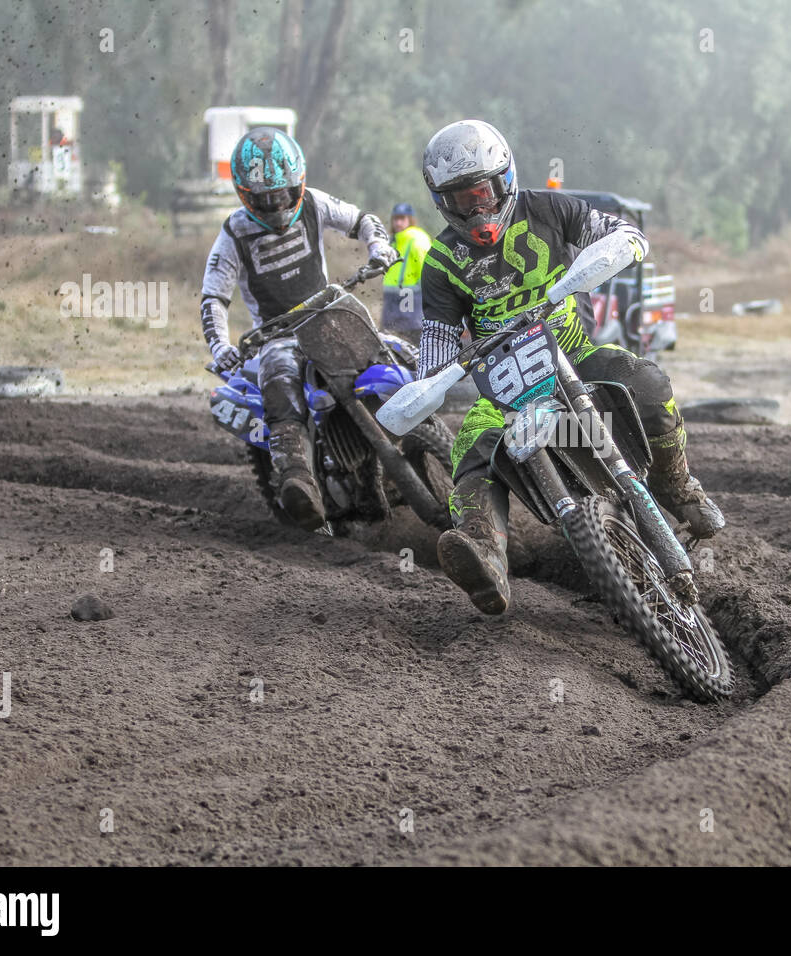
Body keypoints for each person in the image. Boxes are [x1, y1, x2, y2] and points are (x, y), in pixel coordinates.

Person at [416, 119, 724, 615]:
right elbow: (437, 334)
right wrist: (431, 375)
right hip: (505, 388)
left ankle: (675, 482)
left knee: (649, 381)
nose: (476, 208)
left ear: (505, 179)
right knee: (471, 452)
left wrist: (625, 242)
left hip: (574, 352)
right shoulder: (442, 261)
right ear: (441, 201)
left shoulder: (550, 209)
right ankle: (486, 555)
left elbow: (617, 231)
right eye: (460, 199)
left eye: (484, 192)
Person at [200, 127, 397, 529]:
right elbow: (213, 298)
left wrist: (379, 247)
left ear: (299, 183)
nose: (275, 205)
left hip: (326, 315)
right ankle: (297, 477)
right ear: (245, 195)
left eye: (282, 194)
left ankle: (405, 435)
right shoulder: (234, 232)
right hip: (275, 335)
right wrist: (220, 347)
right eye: (264, 199)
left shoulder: (314, 203)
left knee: (387, 350)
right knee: (281, 379)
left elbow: (361, 220)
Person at [380, 201, 432, 339]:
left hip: (410, 298)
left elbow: (429, 271)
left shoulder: (417, 239)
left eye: (402, 218)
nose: (398, 223)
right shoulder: (392, 241)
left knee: (410, 340)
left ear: (410, 220)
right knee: (388, 340)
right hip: (391, 299)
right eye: (396, 219)